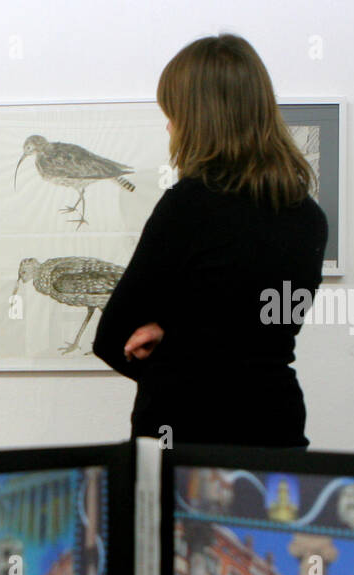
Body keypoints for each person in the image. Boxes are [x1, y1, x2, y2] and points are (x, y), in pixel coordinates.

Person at [92, 34, 327, 448]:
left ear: (198, 119)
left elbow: (113, 339)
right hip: (276, 425)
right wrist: (194, 344)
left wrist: (173, 346)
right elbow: (259, 334)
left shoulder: (189, 206)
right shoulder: (309, 217)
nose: (169, 125)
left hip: (186, 431)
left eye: (174, 113)